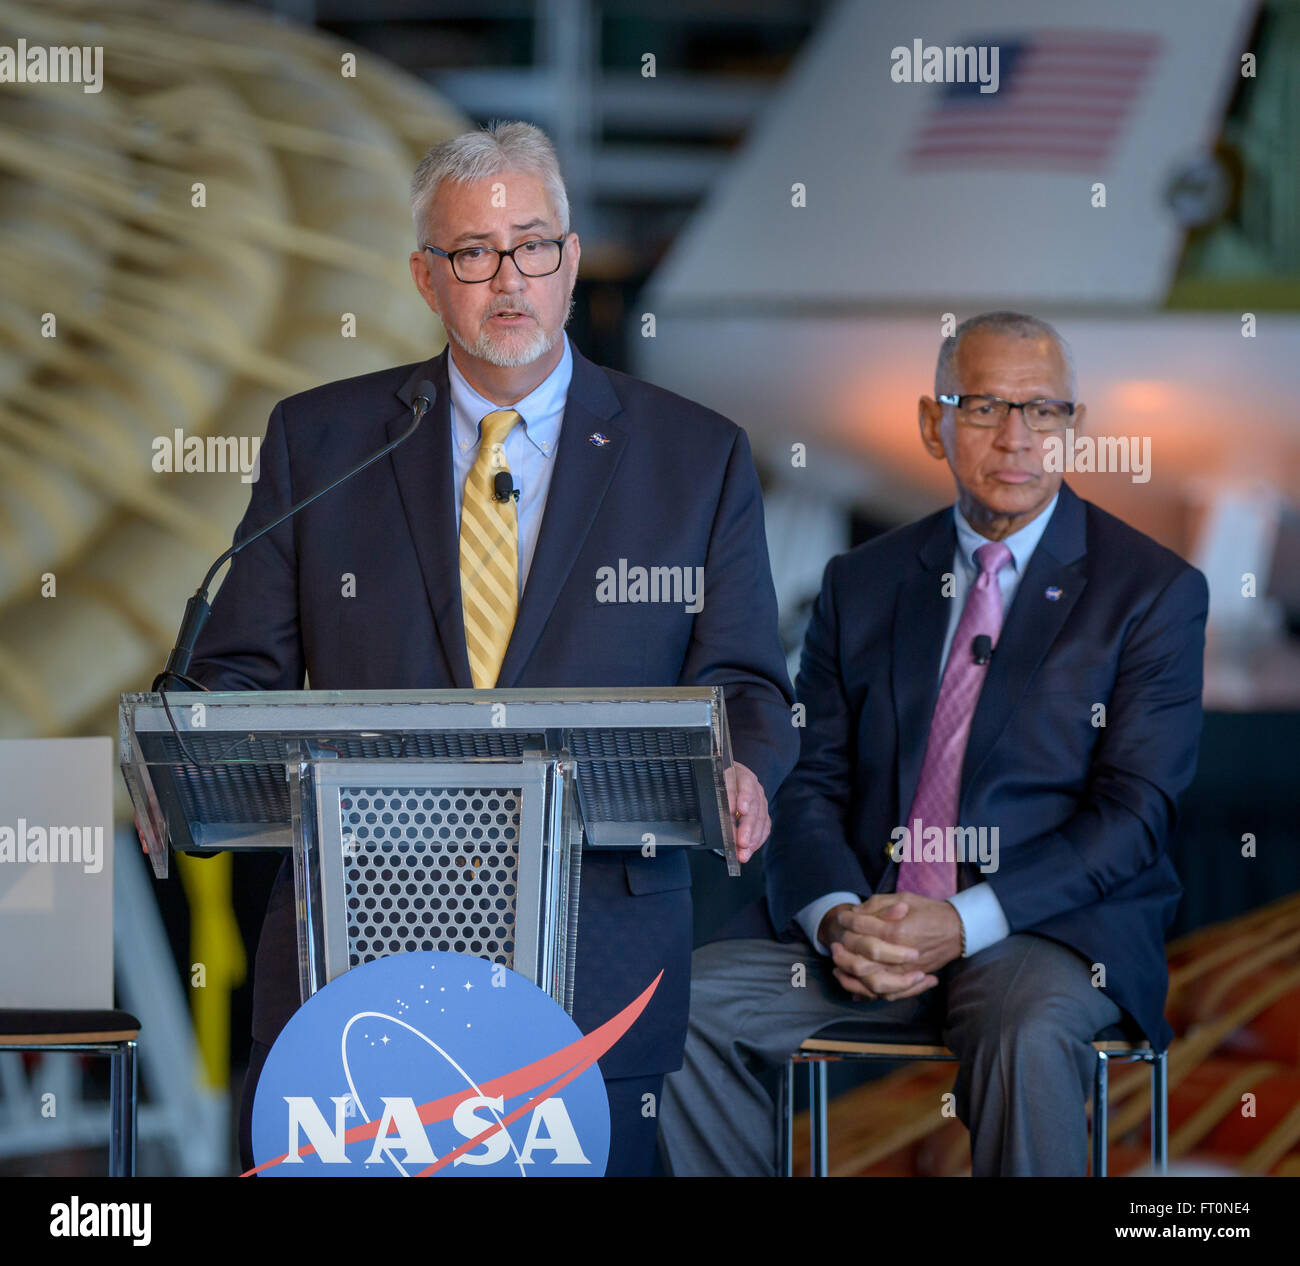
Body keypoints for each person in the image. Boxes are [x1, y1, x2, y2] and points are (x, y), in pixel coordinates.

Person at [185, 121, 798, 1176]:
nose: (507, 277)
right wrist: (191, 741)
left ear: (570, 257)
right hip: (359, 952)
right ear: (427, 278)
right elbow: (239, 670)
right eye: (472, 252)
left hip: (596, 953)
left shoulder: (694, 455)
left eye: (535, 245)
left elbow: (742, 678)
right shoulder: (322, 440)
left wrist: (741, 765)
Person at [659, 312, 1208, 1176]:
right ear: (932, 422)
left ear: (1075, 426)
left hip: (1043, 935)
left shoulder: (1150, 593)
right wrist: (839, 917)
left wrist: (961, 922)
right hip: (866, 930)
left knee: (1025, 1032)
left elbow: (1134, 817)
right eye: (984, 406)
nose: (1017, 438)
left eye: (1045, 411)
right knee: (679, 1010)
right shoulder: (864, 581)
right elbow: (809, 784)